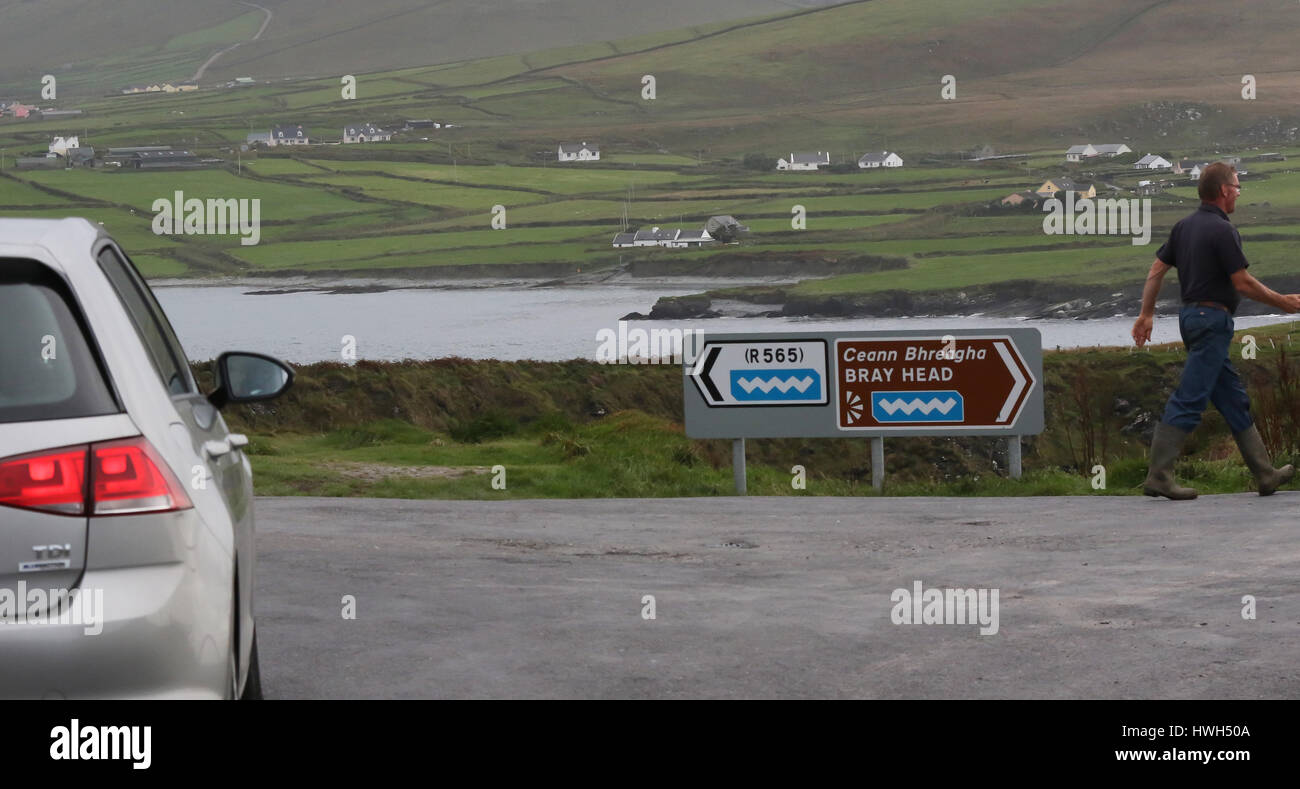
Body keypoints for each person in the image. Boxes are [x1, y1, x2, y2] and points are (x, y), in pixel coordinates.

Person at [1131, 162, 1300, 499]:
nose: (1238, 192)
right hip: (1211, 322)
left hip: (1192, 320)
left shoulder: (1184, 227)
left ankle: (1265, 475)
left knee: (1233, 399)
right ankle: (1160, 476)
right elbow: (1243, 283)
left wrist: (1146, 314)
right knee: (1190, 397)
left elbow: (1156, 270)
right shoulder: (1223, 231)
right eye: (1236, 187)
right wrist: (1284, 302)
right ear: (1223, 191)